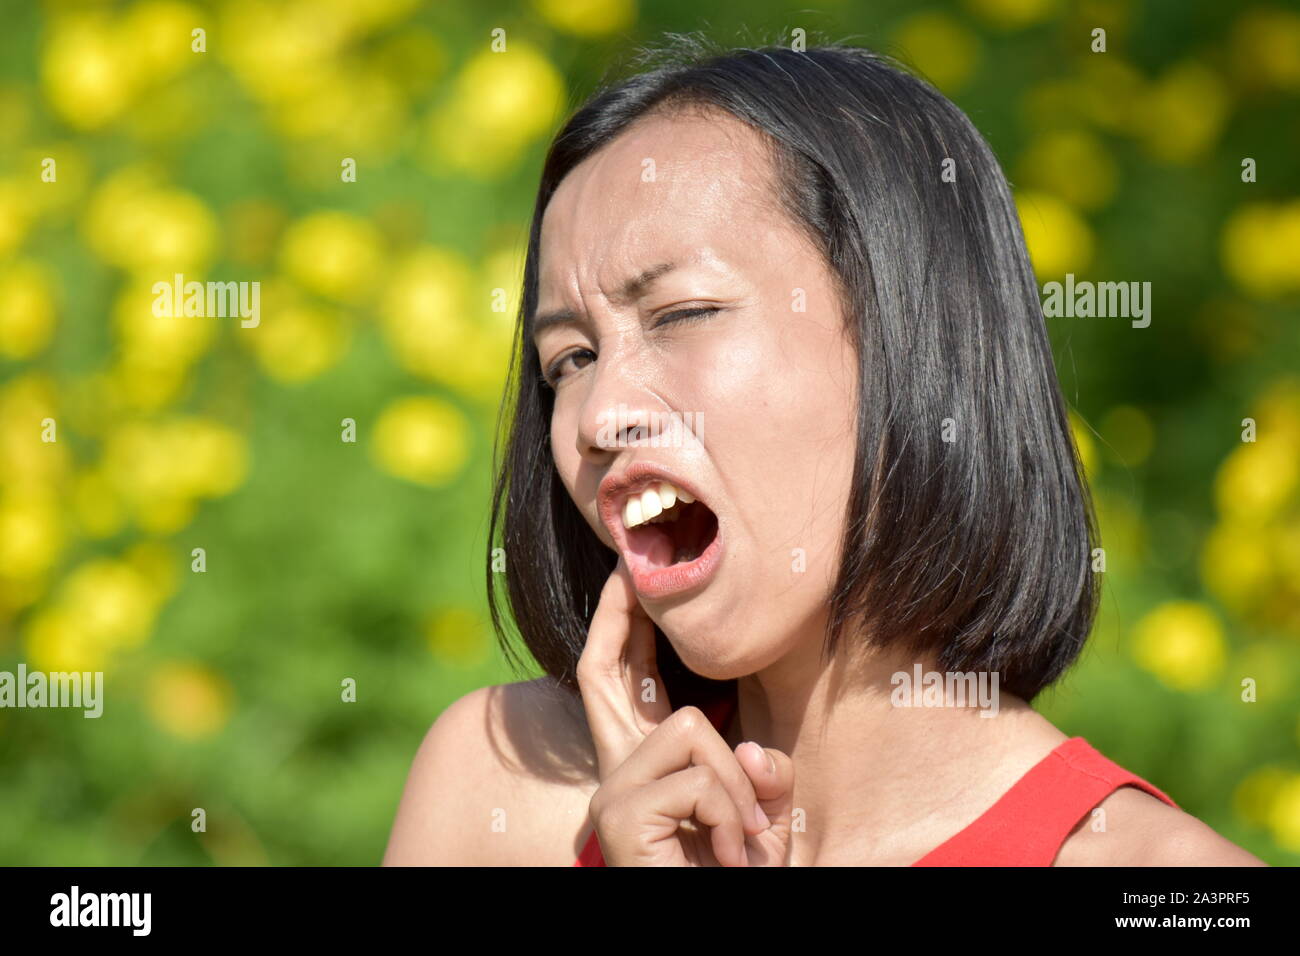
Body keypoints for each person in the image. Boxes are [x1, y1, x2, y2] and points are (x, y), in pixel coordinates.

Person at [383, 37, 1267, 866]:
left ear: (912, 332)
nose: (597, 414)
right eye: (569, 358)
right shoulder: (507, 788)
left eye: (681, 315)